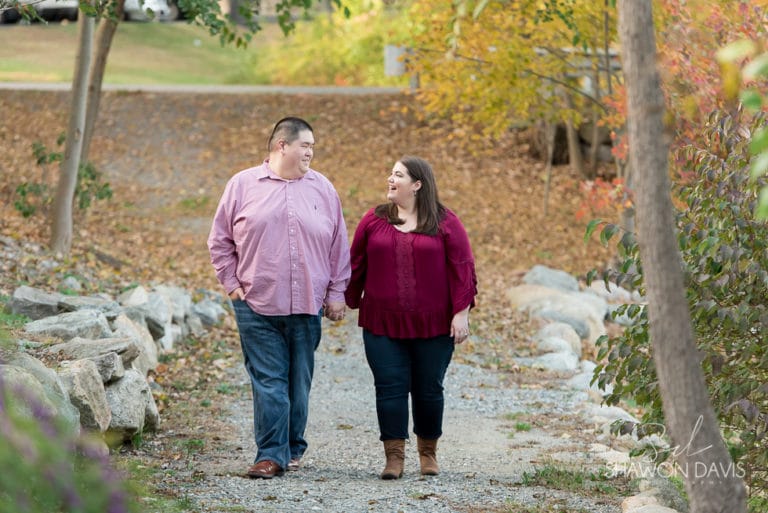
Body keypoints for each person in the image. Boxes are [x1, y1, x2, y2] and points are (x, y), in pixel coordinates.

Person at [207, 117, 351, 479]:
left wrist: (336, 294)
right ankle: (270, 455)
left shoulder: (323, 188)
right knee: (269, 380)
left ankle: (292, 446)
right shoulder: (242, 185)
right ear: (282, 146)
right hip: (255, 303)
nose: (311, 153)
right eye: (306, 146)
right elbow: (220, 241)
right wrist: (232, 285)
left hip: (308, 305)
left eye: (314, 148)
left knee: (298, 382)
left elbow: (338, 246)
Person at [345, 155, 477, 479]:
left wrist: (461, 313)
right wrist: (343, 298)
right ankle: (394, 457)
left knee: (429, 389)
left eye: (399, 175)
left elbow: (463, 269)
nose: (391, 179)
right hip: (382, 323)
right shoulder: (373, 220)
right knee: (389, 388)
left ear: (417, 184)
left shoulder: (446, 222)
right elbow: (355, 263)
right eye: (390, 173)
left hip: (433, 324)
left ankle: (428, 453)